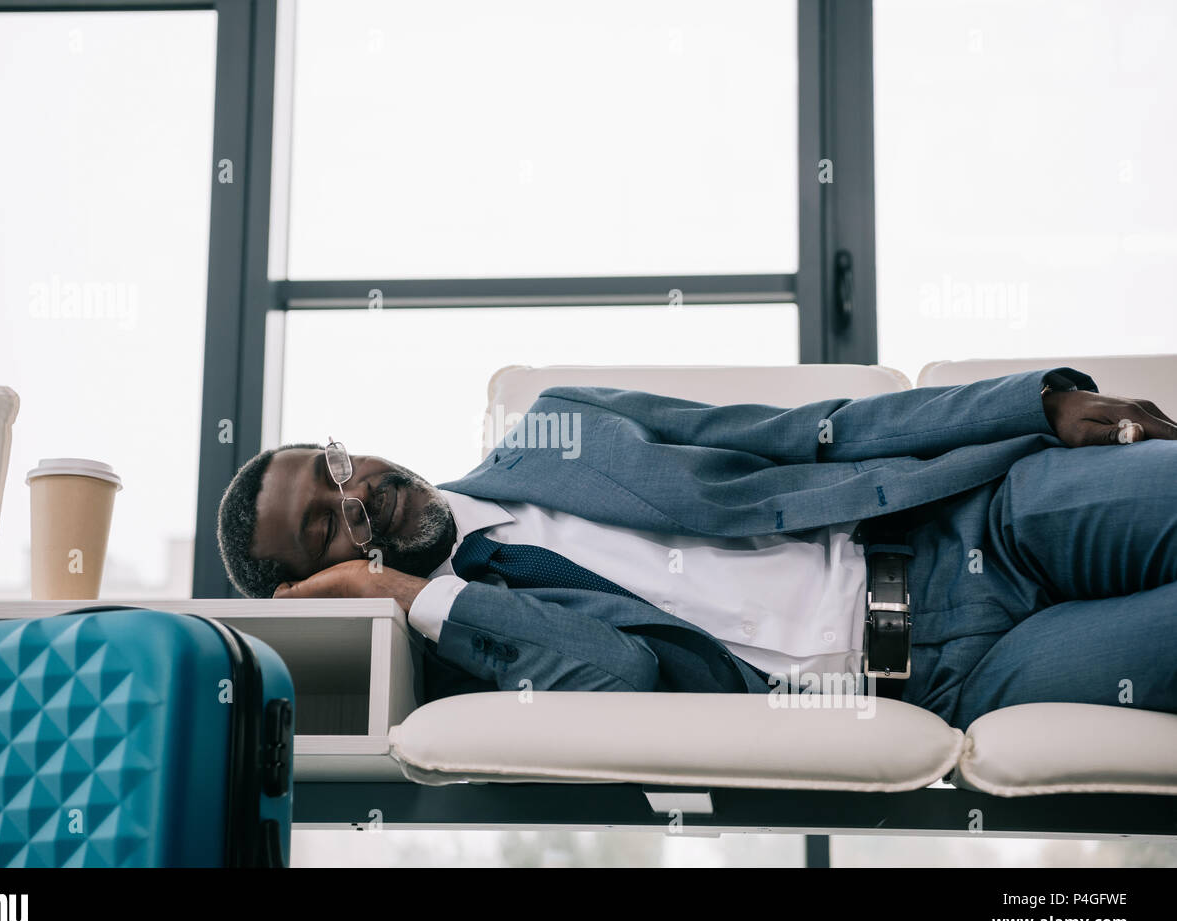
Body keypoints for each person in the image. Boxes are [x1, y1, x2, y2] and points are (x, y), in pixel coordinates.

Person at [216, 367, 1177, 729]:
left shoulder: (562, 428)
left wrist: (1031, 405)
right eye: (326, 525)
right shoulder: (473, 662)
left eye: (335, 464)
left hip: (971, 522)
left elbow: (803, 431)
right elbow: (625, 673)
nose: (360, 493)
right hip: (954, 677)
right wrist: (413, 598)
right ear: (324, 582)